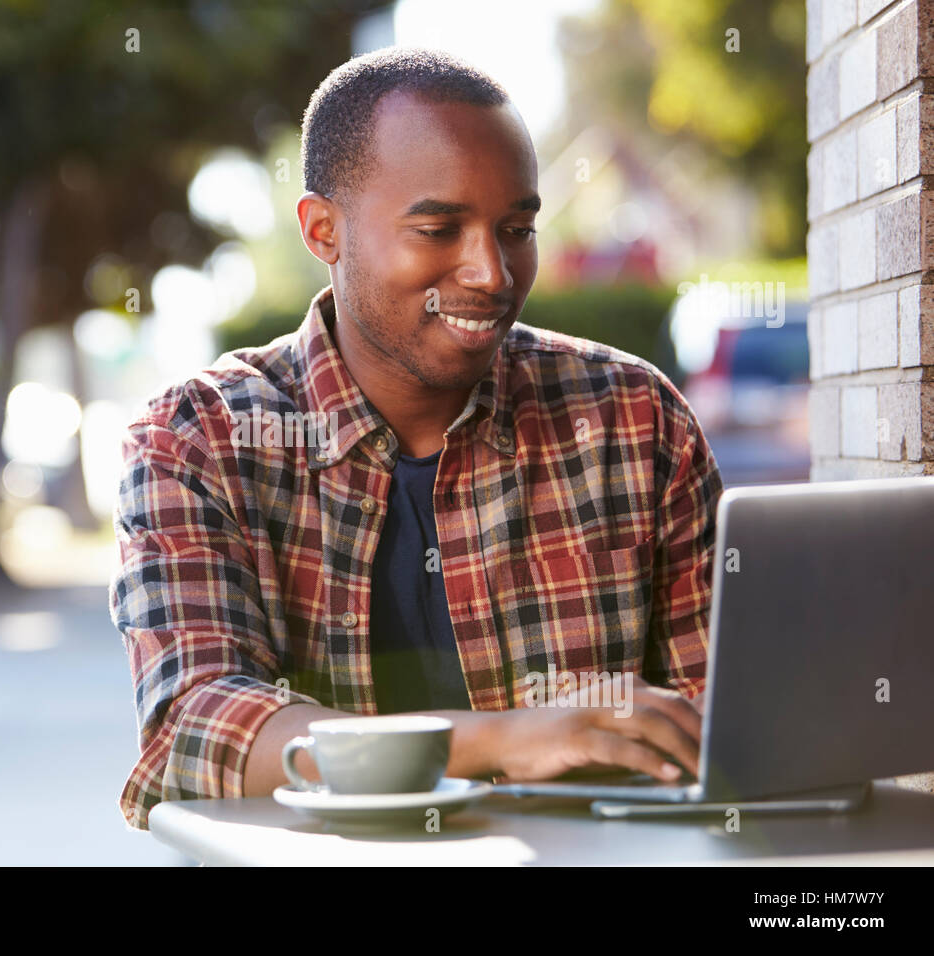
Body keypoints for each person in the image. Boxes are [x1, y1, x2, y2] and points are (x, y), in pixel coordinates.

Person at [109, 48, 723, 830]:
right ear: (323, 229)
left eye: (516, 229)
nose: (493, 273)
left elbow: (727, 720)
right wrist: (506, 739)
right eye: (439, 227)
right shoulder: (199, 441)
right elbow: (192, 732)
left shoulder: (636, 421)